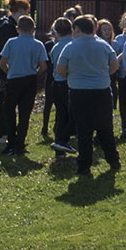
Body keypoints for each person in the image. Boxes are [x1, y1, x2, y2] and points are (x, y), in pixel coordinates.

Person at [55, 15, 121, 176]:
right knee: (105, 128)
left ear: (77, 29)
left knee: (83, 130)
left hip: (79, 92)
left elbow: (60, 70)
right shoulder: (104, 45)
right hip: (102, 91)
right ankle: (113, 160)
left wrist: (72, 75)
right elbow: (114, 65)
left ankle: (84, 165)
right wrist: (103, 74)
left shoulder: (70, 47)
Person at [0, 15, 48, 156]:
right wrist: (36, 74)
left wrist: (9, 72)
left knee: (9, 111)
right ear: (33, 29)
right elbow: (43, 66)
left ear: (17, 29)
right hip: (30, 80)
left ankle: (10, 142)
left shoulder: (11, 43)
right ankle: (20, 144)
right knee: (25, 113)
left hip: (13, 79)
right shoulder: (38, 44)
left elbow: (1, 63)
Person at [0, 0, 28, 145]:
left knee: (4, 101)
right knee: (3, 102)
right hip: (1, 70)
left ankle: (4, 132)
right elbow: (8, 51)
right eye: (27, 13)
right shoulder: (8, 27)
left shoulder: (2, 23)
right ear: (21, 11)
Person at [44, 17, 73, 152]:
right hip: (69, 83)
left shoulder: (55, 47)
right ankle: (64, 138)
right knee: (72, 113)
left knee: (60, 113)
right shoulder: (73, 45)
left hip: (56, 83)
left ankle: (59, 139)